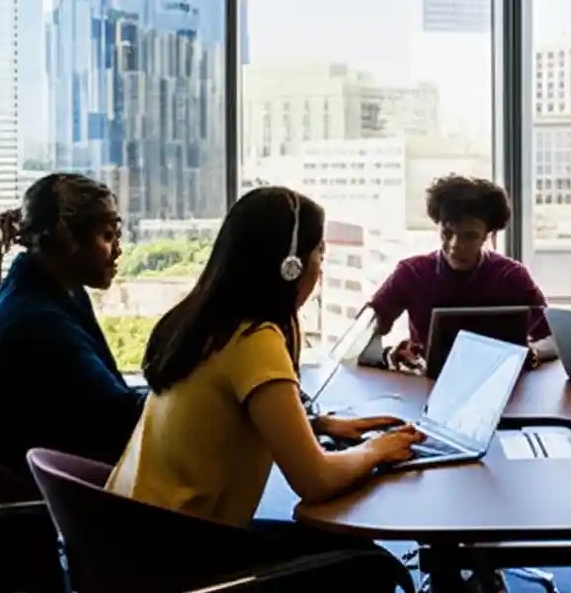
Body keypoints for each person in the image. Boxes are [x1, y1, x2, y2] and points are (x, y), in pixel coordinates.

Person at [106, 187, 421, 590]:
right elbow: (316, 480)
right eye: (319, 255)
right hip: (187, 559)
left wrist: (319, 425)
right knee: (370, 565)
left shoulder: (200, 322)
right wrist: (377, 449)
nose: (320, 269)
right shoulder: (255, 339)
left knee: (338, 547)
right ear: (290, 266)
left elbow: (223, 416)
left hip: (133, 538)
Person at [0, 173, 144, 474]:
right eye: (107, 236)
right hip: (37, 492)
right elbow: (119, 419)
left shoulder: (45, 289)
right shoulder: (37, 322)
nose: (117, 249)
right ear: (67, 238)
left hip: (34, 468)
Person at [365, 174, 553, 372]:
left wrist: (532, 353)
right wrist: (390, 355)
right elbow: (362, 335)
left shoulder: (511, 276)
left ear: (487, 236)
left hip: (499, 384)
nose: (455, 245)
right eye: (447, 233)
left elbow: (552, 338)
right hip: (425, 386)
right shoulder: (411, 273)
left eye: (469, 236)